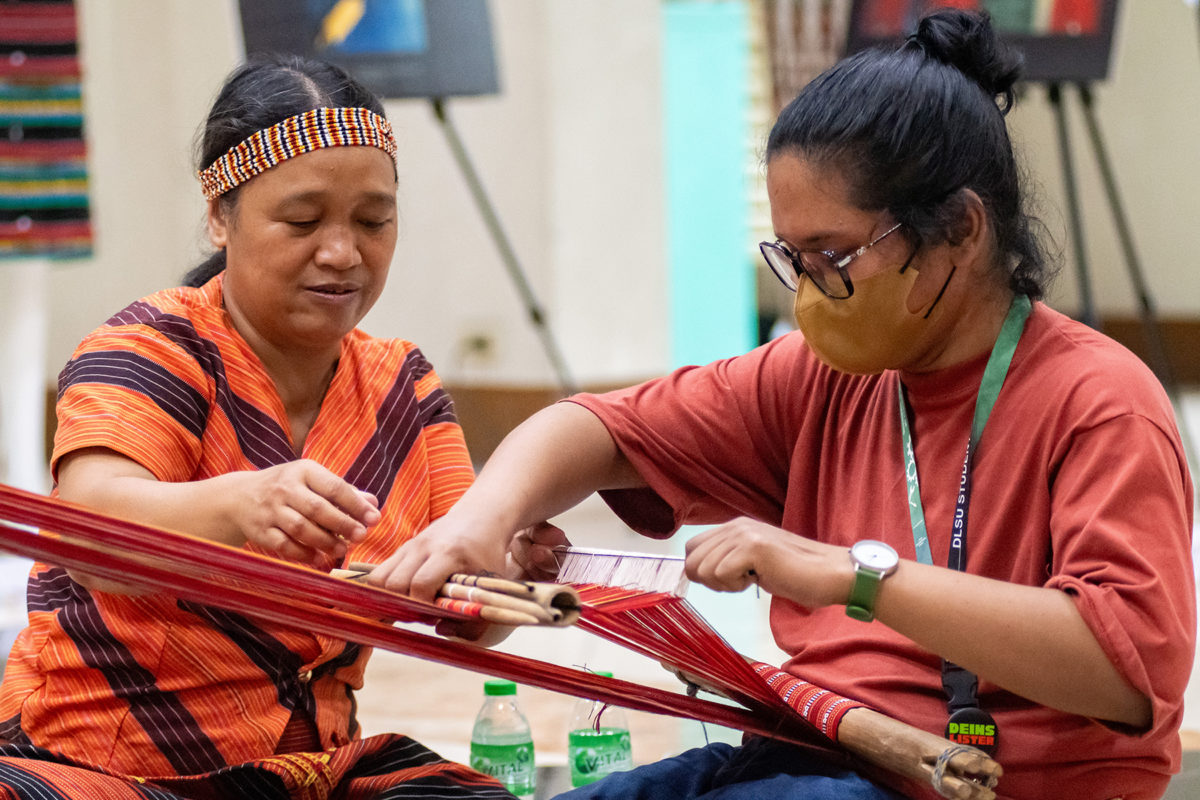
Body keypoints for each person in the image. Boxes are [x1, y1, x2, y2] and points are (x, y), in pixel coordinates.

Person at [368, 10, 1196, 800]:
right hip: (813, 756)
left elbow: (1126, 671)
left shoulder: (1099, 403)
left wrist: (853, 576)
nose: (810, 291)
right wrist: (480, 524)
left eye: (834, 256)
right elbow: (593, 427)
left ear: (961, 229)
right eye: (793, 259)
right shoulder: (825, 376)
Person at [0, 54, 515, 799]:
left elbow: (470, 608)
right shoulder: (149, 350)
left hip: (308, 774)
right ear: (221, 216)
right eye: (302, 221)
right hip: (100, 768)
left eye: (373, 221)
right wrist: (241, 504)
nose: (342, 253)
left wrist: (508, 573)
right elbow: (87, 537)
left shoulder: (404, 386)